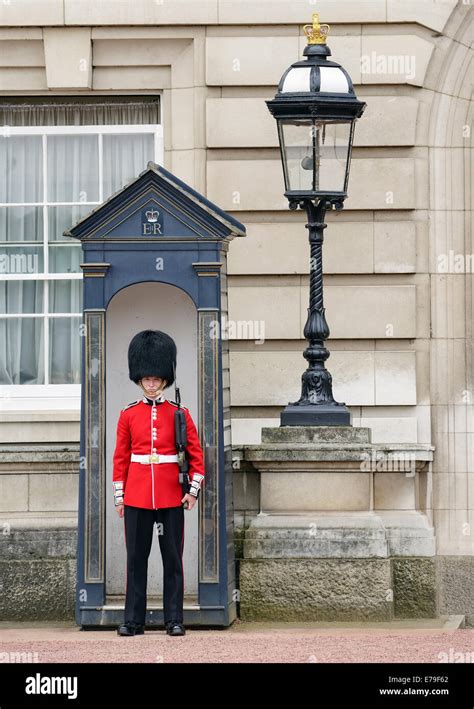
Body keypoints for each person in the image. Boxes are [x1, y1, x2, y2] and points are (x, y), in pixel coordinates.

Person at [112, 330, 205, 637]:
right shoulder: (128, 415)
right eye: (146, 379)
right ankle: (133, 620)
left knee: (172, 561)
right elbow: (121, 458)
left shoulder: (180, 414)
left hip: (170, 497)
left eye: (156, 379)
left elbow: (196, 455)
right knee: (136, 561)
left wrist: (192, 491)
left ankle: (174, 619)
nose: (151, 384)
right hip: (138, 497)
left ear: (165, 379)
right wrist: (120, 496)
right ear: (139, 379)